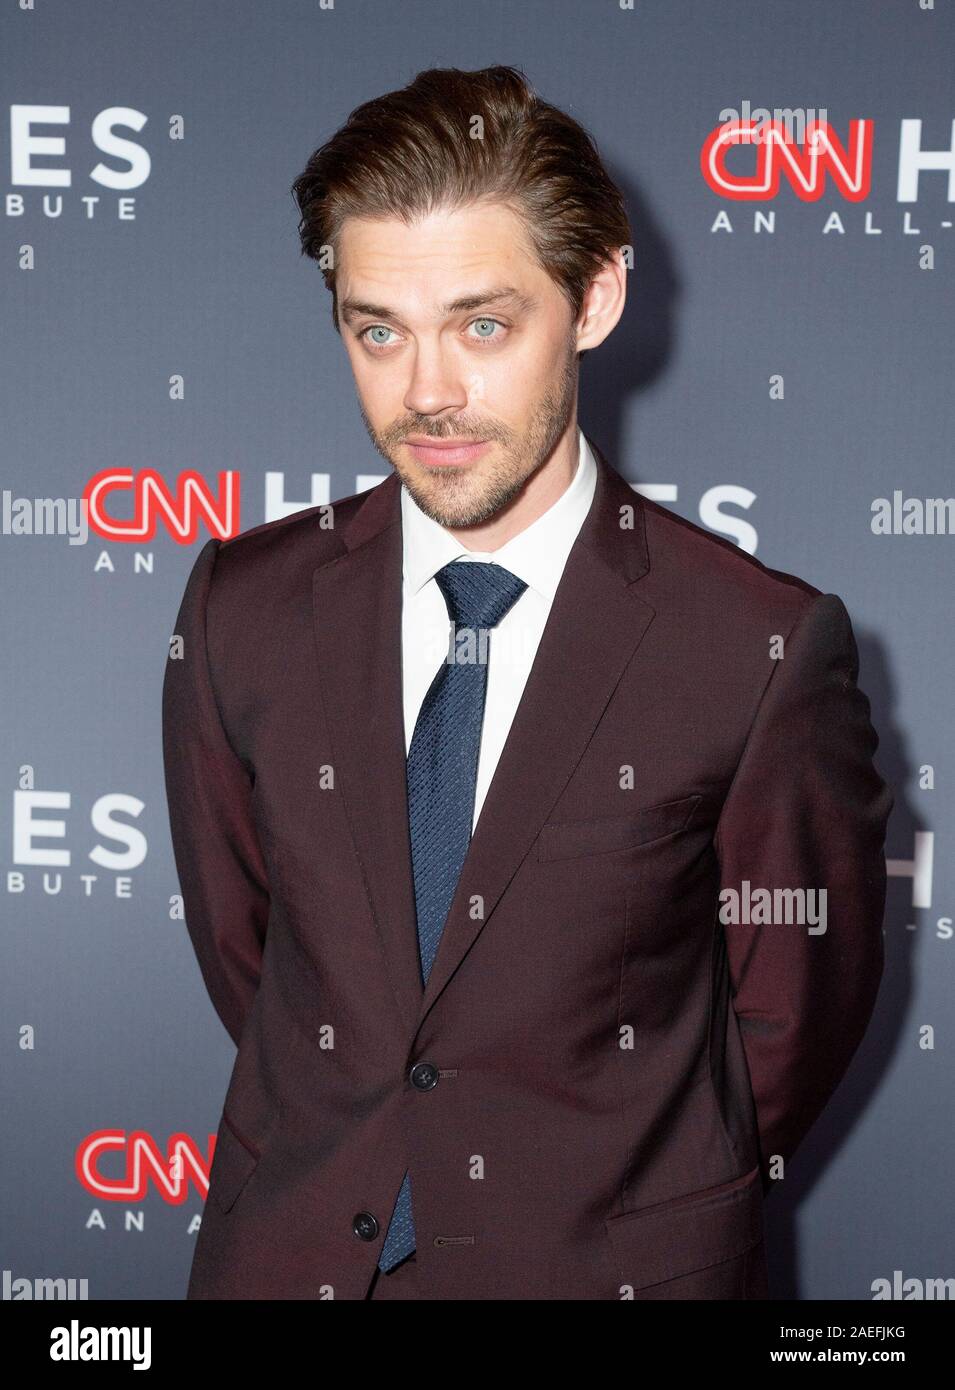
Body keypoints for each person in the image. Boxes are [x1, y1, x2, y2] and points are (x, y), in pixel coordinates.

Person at [162, 65, 893, 1301]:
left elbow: (788, 1023)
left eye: (482, 325)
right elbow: (253, 954)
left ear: (595, 297)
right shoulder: (243, 607)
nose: (426, 390)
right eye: (376, 329)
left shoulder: (756, 646)